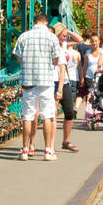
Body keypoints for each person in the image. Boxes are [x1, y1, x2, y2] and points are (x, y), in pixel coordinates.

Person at [12, 12, 62, 161]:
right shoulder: (52, 37)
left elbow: (19, 59)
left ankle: (25, 150)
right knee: (47, 115)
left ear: (34, 22)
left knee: (27, 116)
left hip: (28, 82)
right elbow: (55, 60)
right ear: (46, 23)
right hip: (45, 82)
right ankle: (47, 151)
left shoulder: (23, 36)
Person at [52, 22, 84, 153]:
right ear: (57, 34)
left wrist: (68, 31)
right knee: (52, 115)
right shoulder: (51, 44)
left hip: (64, 81)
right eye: (63, 36)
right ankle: (50, 144)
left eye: (66, 36)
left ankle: (66, 141)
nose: (65, 38)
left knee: (69, 112)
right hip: (52, 81)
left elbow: (80, 40)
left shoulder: (65, 44)